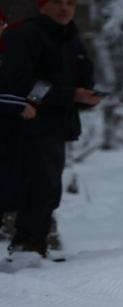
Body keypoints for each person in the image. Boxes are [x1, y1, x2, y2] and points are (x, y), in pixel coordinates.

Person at [0, 0, 99, 259]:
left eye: (70, 3)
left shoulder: (72, 39)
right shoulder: (27, 35)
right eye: (57, 2)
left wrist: (85, 96)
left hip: (58, 125)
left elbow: (82, 77)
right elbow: (22, 84)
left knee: (48, 188)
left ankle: (32, 247)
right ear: (42, 5)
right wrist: (70, 95)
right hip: (26, 124)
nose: (64, 8)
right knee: (34, 187)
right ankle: (27, 248)